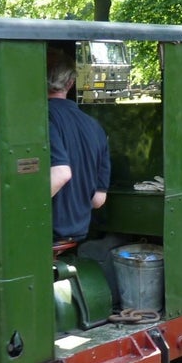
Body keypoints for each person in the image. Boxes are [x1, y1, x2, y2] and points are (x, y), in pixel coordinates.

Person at [48, 49, 110, 241]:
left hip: (45, 232)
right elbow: (98, 200)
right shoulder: (94, 126)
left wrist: (22, 209)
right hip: (77, 232)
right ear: (71, 83)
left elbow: (61, 173)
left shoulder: (40, 119)